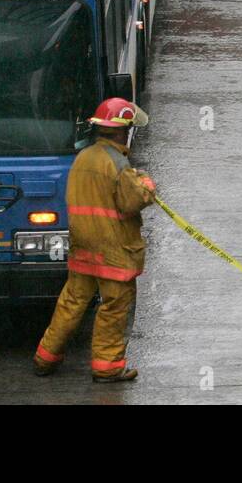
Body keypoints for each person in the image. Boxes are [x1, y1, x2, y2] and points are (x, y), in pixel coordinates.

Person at [34, 98, 157, 383]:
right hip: (113, 249)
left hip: (83, 247)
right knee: (114, 306)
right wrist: (146, 185)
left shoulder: (83, 158)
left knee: (72, 302)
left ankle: (45, 357)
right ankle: (108, 367)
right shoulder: (118, 163)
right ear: (121, 131)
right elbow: (132, 202)